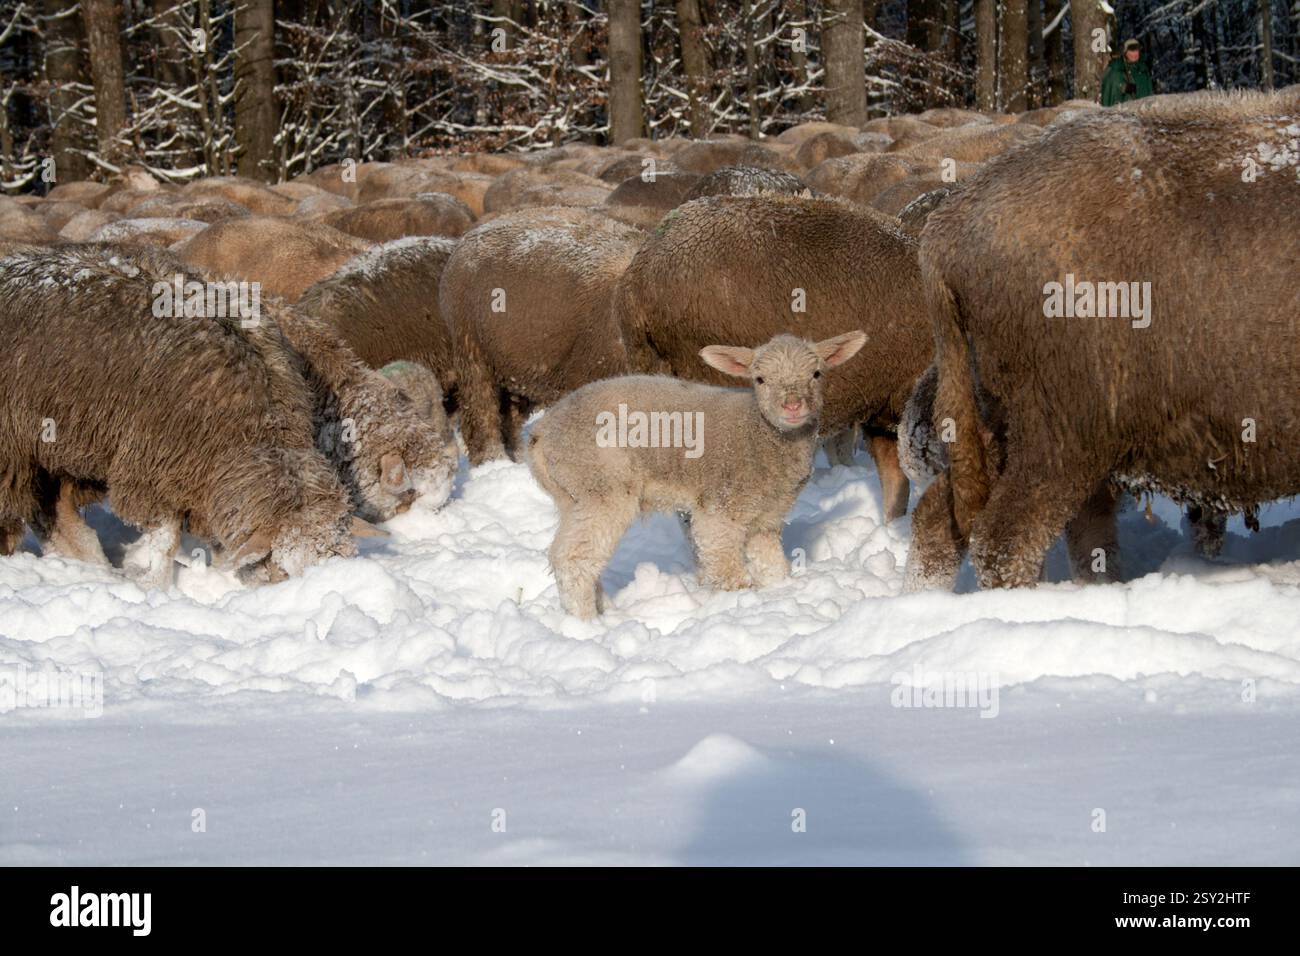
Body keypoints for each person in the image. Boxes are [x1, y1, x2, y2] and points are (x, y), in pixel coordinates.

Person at [1102, 39, 1155, 106]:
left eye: (1136, 50)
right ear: (1125, 52)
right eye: (1131, 51)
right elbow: (1111, 84)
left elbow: (1149, 90)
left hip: (1144, 108)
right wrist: (1124, 87)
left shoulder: (1143, 68)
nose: (1134, 54)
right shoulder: (1117, 66)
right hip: (1125, 109)